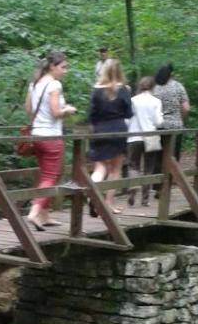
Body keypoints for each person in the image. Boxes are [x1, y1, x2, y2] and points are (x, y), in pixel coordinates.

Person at [25, 50, 77, 230]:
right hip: (51, 136)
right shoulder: (54, 85)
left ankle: (45, 215)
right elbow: (56, 112)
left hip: (36, 136)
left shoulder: (35, 83)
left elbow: (29, 110)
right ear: (52, 67)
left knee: (45, 174)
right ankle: (34, 212)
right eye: (63, 67)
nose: (65, 71)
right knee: (50, 176)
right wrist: (68, 110)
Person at [88, 58, 133, 213]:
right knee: (115, 169)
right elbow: (129, 113)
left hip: (99, 130)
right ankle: (108, 203)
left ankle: (92, 195)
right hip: (118, 129)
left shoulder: (96, 89)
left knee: (99, 167)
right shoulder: (123, 89)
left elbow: (91, 115)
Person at [126, 76, 164, 208]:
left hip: (134, 136)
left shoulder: (132, 100)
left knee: (133, 165)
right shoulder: (156, 101)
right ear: (153, 86)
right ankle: (145, 200)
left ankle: (133, 185)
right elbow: (159, 122)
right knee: (149, 168)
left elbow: (127, 120)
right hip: (150, 137)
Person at [153, 63, 190, 158]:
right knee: (173, 156)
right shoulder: (178, 86)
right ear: (171, 74)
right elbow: (186, 108)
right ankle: (172, 172)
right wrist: (181, 119)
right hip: (176, 126)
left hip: (159, 126)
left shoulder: (155, 88)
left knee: (159, 157)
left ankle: (159, 171)